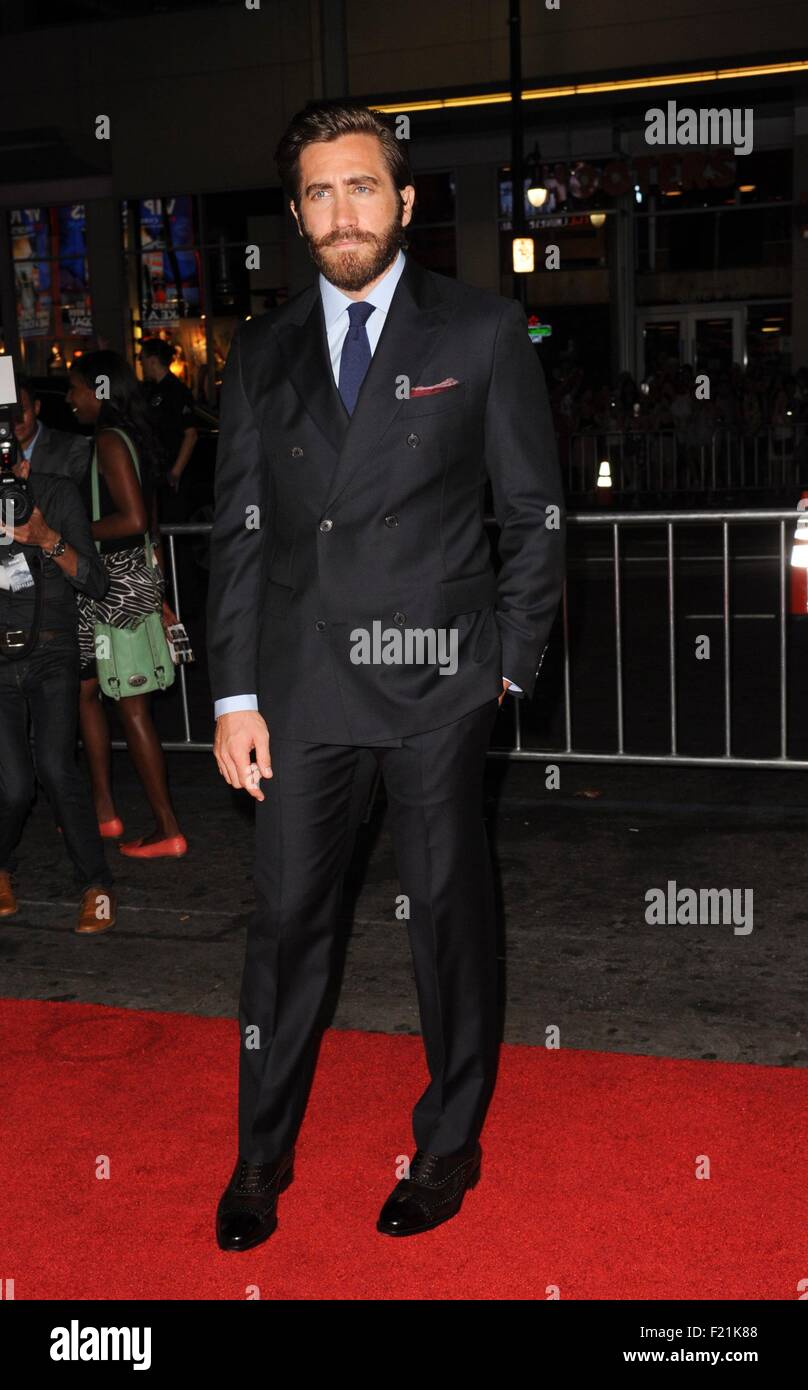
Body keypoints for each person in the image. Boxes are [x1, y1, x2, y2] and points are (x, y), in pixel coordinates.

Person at [207, 100, 565, 1252]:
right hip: (304, 691)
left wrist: (506, 664)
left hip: (435, 687)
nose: (340, 211)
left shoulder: (479, 331)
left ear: (404, 201)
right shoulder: (260, 352)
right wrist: (230, 697)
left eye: (360, 187)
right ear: (297, 213)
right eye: (317, 192)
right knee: (287, 930)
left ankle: (445, 1148)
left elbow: (532, 515)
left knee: (446, 925)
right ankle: (260, 1160)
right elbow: (242, 534)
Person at [0, 397, 117, 934]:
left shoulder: (54, 492)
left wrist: (46, 537)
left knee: (55, 767)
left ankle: (96, 884)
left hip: (51, 651)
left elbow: (94, 580)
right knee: (13, 786)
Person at [66, 350, 187, 859]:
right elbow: (151, 526)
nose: (69, 400)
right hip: (125, 584)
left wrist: (73, 532)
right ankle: (106, 811)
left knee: (132, 709)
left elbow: (134, 520)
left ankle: (167, 829)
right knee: (89, 691)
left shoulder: (111, 442)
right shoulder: (129, 438)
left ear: (98, 389)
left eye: (74, 389)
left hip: (113, 588)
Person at [139, 338, 198, 524]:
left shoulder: (176, 391)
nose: (141, 364)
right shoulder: (150, 390)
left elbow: (191, 434)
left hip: (169, 472)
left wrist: (175, 473)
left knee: (173, 523)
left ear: (153, 361)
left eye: (142, 360)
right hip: (156, 470)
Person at [13, 375, 91, 485]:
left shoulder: (70, 447)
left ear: (36, 407)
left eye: (21, 411)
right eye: (5, 414)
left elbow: (81, 498)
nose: (15, 421)